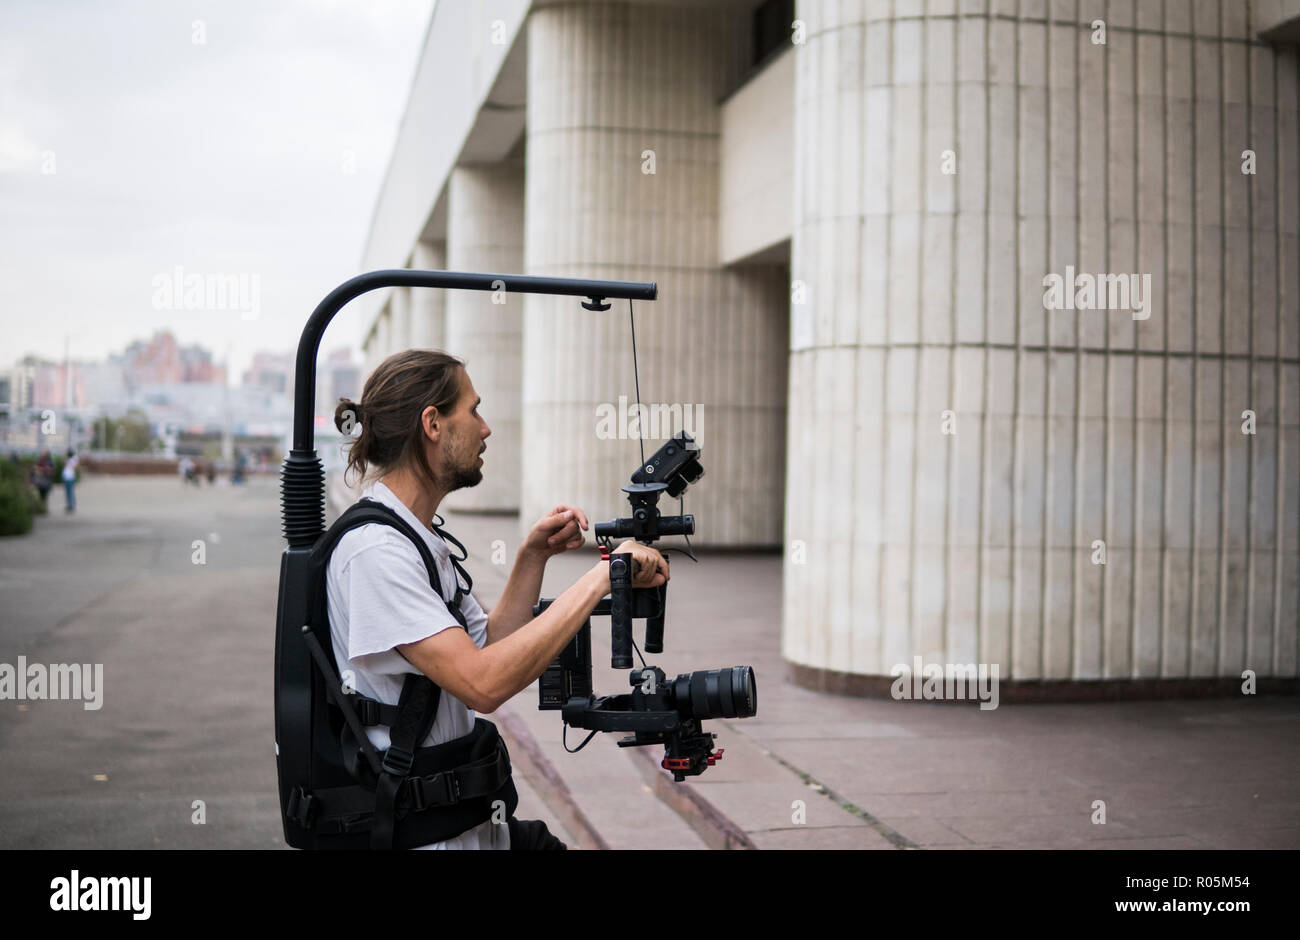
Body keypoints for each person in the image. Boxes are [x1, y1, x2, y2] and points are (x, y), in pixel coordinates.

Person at [328, 350, 668, 850]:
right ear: (433, 424)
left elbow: (487, 647)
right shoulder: (378, 552)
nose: (486, 429)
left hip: (467, 825)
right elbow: (482, 684)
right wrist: (602, 579)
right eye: (473, 410)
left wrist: (533, 557)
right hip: (424, 836)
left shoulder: (417, 536)